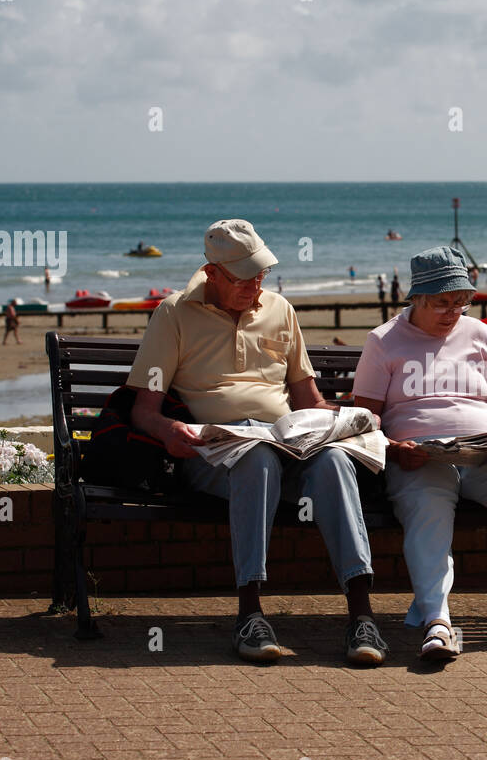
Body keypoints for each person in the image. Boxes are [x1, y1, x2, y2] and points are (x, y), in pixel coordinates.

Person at [126, 219, 385, 666]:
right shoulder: (174, 313)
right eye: (243, 277)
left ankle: (362, 616)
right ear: (212, 274)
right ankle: (250, 613)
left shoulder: (279, 309)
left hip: (287, 443)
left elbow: (308, 400)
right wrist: (171, 433)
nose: (255, 284)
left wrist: (351, 421)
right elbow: (144, 410)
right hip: (217, 452)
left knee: (335, 462)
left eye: (261, 273)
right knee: (257, 457)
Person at [351, 247, 487, 660]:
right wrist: (396, 451)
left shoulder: (482, 335)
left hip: (485, 457)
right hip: (421, 460)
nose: (453, 311)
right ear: (416, 298)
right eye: (442, 302)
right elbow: (364, 420)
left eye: (460, 301)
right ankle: (437, 621)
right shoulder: (383, 341)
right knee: (427, 507)